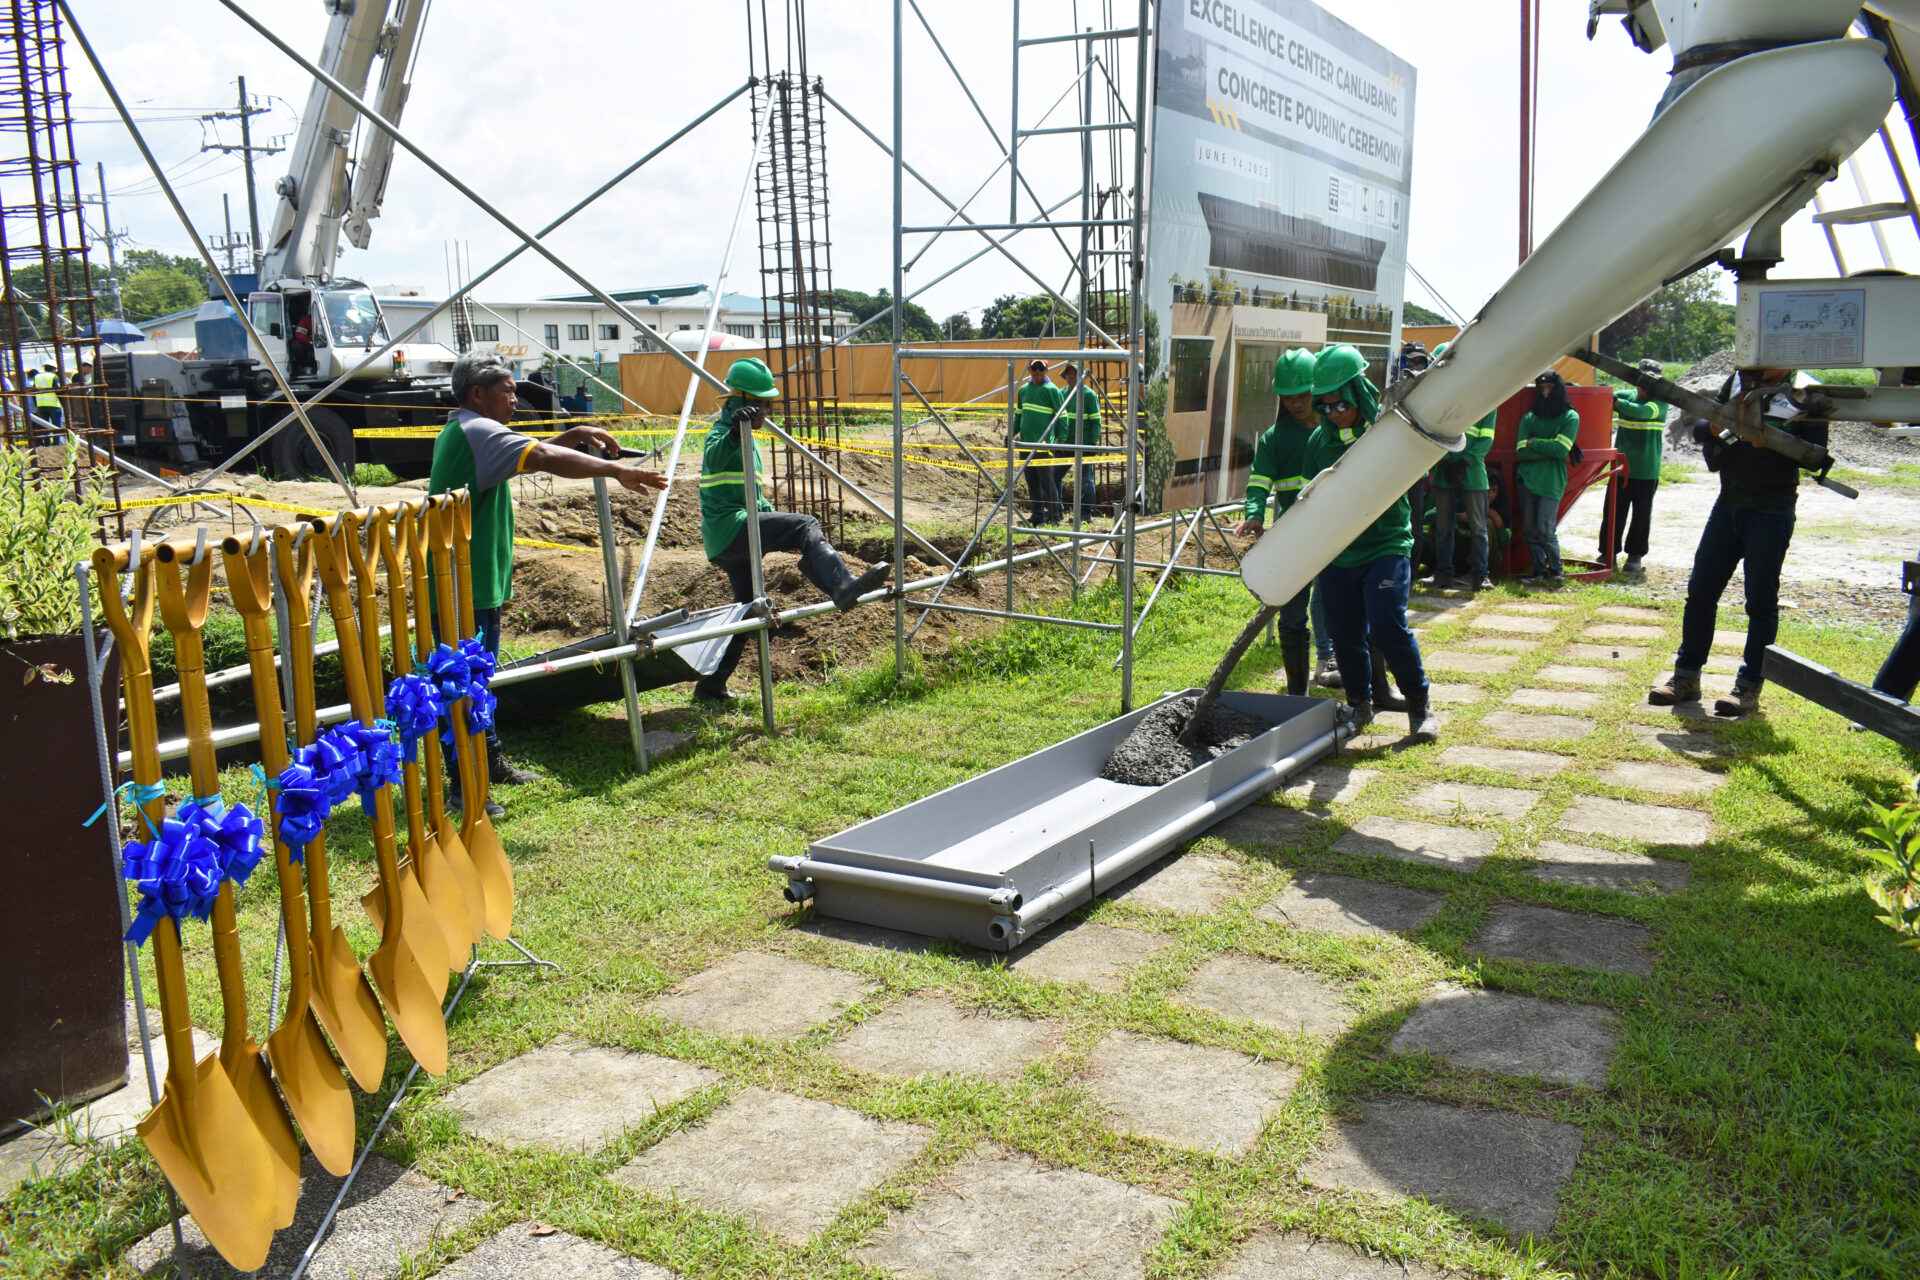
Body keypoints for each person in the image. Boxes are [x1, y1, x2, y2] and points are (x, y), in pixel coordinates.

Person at [429, 350, 668, 813]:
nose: (515, 398)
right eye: (507, 390)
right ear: (477, 394)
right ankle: (464, 786)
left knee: (480, 678)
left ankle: (490, 760)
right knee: (461, 684)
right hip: (460, 586)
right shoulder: (476, 431)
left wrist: (574, 435)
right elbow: (539, 455)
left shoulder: (467, 429)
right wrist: (616, 469)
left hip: (474, 581)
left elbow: (529, 455)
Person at [694, 357, 892, 704]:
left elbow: (756, 500)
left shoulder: (752, 445)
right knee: (805, 523)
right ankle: (841, 586)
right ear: (741, 401)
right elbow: (713, 456)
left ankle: (711, 685)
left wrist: (782, 531)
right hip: (730, 528)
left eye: (767, 405)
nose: (765, 412)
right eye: (761, 404)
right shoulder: (720, 435)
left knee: (746, 610)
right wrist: (731, 432)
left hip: (736, 531)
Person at [1650, 367, 1825, 718]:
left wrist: (1774, 441)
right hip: (1728, 504)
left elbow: (1817, 454)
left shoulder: (1806, 390)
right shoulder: (1736, 383)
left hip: (1772, 509)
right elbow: (1701, 430)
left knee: (1760, 602)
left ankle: (1748, 687)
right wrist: (1715, 427)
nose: (1754, 370)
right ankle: (1686, 676)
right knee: (1700, 592)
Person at [1304, 344, 1438, 744]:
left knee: (1386, 625)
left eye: (1339, 404)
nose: (1333, 413)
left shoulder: (1386, 432)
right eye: (1324, 407)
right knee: (1344, 632)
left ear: (1359, 392)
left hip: (1386, 544)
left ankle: (1419, 704)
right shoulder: (1318, 443)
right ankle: (1359, 705)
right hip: (1339, 550)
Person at [1235, 348, 1333, 695]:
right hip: (1295, 536)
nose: (1296, 403)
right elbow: (1260, 480)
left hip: (1337, 529)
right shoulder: (1276, 438)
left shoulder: (1335, 429)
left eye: (1303, 395)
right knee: (1292, 614)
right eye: (1288, 397)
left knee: (1333, 599)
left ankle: (1331, 660)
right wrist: (1254, 514)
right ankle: (1297, 692)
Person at [1424, 341, 1494, 590]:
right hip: (1446, 472)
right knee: (1444, 527)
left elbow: (1486, 439)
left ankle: (1480, 575)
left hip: (1471, 473)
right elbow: (1433, 434)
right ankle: (1443, 573)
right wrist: (1446, 461)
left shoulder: (1485, 401)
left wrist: (1463, 462)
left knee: (1478, 527)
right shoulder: (1439, 400)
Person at [1513, 370, 1581, 587]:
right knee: (1530, 530)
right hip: (1527, 480)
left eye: (1549, 387)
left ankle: (1557, 571)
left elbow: (1561, 450)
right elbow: (1521, 451)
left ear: (1558, 388)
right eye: (1541, 388)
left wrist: (1535, 442)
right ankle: (1539, 571)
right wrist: (1546, 445)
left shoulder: (1570, 417)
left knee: (1545, 528)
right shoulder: (1529, 417)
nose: (1545, 392)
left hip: (1551, 481)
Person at [1608, 357, 1668, 574]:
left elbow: (1642, 412)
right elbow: (1606, 395)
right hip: (1621, 470)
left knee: (1641, 516)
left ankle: (1635, 556)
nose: (1643, 388)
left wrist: (1616, 403)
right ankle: (1608, 553)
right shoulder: (1629, 396)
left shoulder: (1659, 404)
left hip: (1646, 471)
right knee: (1613, 513)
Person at [1014, 358, 1066, 525]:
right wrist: (1011, 434)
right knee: (1032, 482)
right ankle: (1037, 516)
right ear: (1029, 370)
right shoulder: (1023, 390)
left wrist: (1060, 441)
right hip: (1026, 445)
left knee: (1047, 482)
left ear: (1046, 371)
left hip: (1044, 446)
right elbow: (1019, 416)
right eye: (1034, 368)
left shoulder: (1052, 390)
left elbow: (1062, 417)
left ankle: (1055, 516)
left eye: (1041, 368)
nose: (1037, 371)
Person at [1058, 363, 1101, 520]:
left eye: (1074, 373)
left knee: (1086, 480)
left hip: (1083, 444)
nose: (1071, 376)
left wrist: (1092, 443)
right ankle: (1057, 510)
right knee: (1054, 476)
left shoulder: (1089, 395)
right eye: (1069, 373)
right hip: (1065, 443)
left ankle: (1085, 513)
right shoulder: (1061, 393)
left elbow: (1096, 422)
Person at [31, 363, 61, 444]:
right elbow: (58, 391)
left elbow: (33, 392)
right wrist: (63, 404)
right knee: (56, 427)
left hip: (41, 405)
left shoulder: (37, 377)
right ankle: (56, 444)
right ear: (53, 369)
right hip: (53, 405)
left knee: (44, 427)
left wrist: (36, 405)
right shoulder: (53, 377)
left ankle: (47, 444)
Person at [290, 308, 317, 378]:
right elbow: (299, 335)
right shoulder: (307, 320)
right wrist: (309, 341)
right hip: (314, 345)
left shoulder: (333, 318)